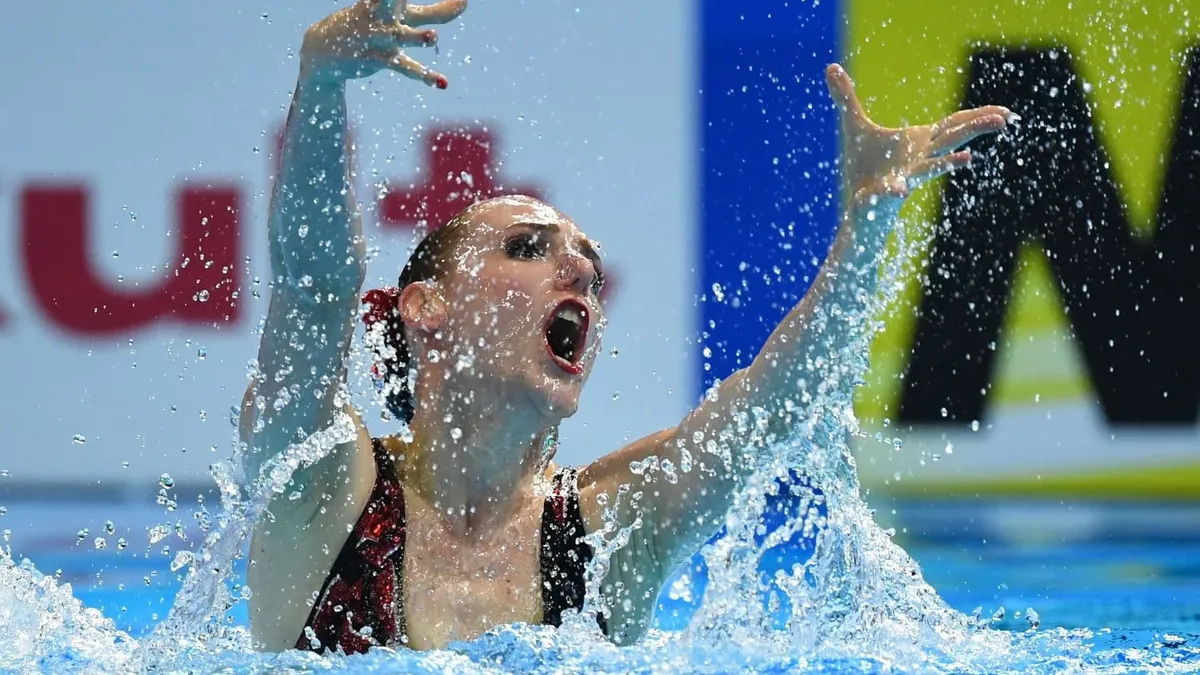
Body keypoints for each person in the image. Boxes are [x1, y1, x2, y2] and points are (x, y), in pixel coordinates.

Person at [238, 0, 1011, 654]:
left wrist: (867, 219)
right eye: (527, 248)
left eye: (590, 267)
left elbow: (777, 407)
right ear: (425, 308)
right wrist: (323, 80)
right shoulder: (324, 484)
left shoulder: (606, 528)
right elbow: (311, 288)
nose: (577, 272)